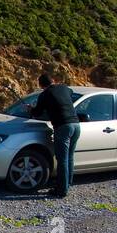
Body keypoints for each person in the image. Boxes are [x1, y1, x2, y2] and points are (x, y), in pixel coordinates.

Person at [36, 70, 76, 198]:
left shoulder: (44, 94)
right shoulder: (64, 88)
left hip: (63, 127)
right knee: (69, 157)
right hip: (76, 125)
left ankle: (61, 190)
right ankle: (67, 184)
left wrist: (30, 109)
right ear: (53, 80)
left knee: (62, 159)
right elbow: (70, 94)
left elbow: (37, 113)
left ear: (41, 85)